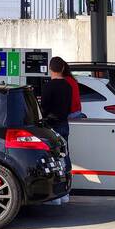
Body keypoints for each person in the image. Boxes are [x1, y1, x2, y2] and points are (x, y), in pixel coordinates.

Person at [41, 56, 74, 204]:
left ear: (50, 69)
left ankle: (55, 194)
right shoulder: (68, 86)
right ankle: (66, 192)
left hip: (51, 126)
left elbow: (44, 108)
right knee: (64, 156)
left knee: (52, 159)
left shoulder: (48, 86)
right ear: (62, 68)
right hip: (64, 124)